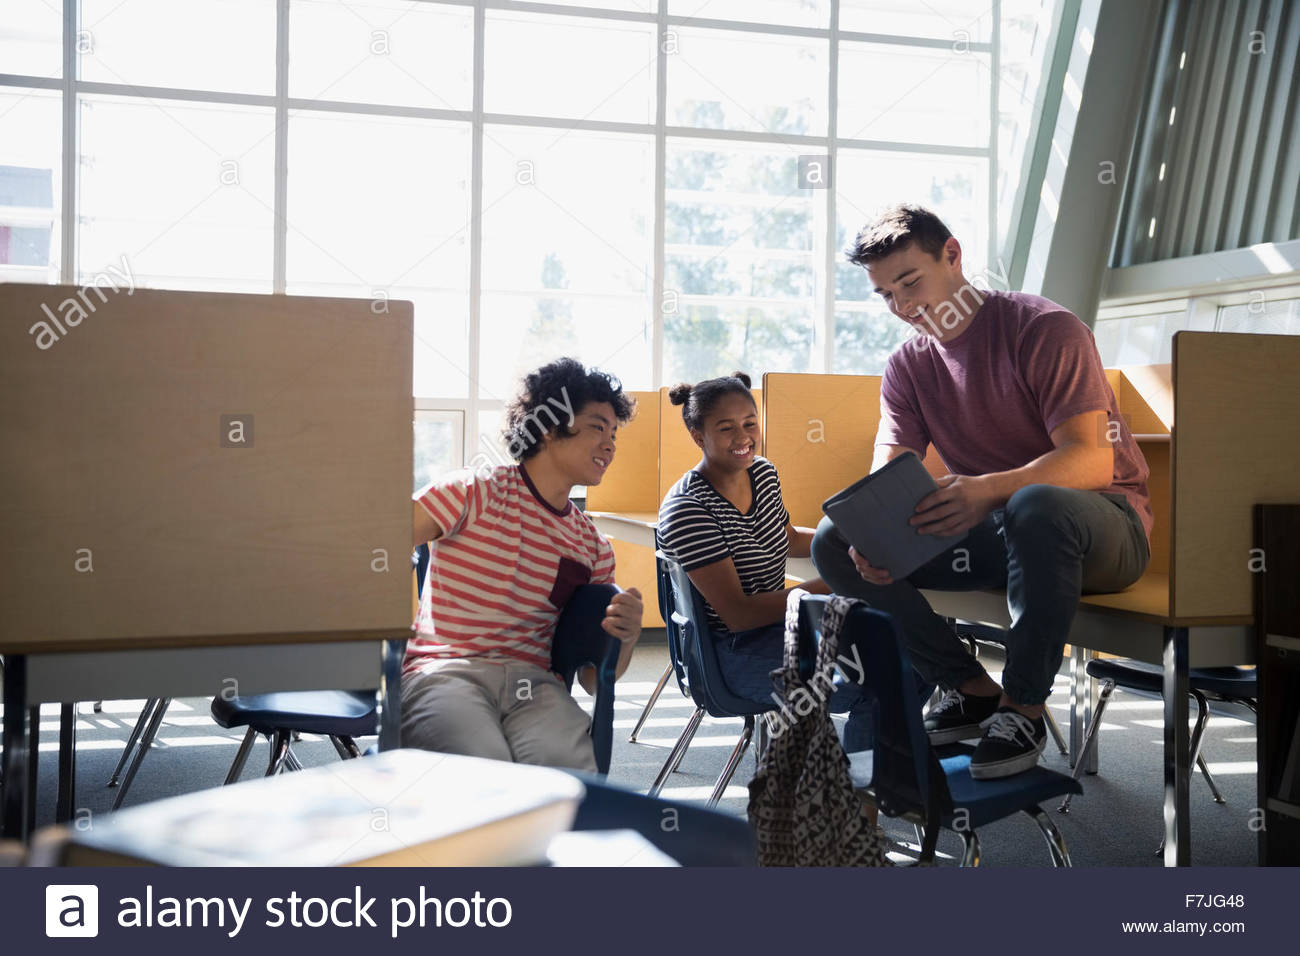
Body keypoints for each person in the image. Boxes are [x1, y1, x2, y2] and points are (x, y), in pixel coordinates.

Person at [812, 202, 1151, 779]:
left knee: (1034, 504)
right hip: (1003, 530)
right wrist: (875, 530)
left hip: (1102, 527)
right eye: (886, 294)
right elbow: (888, 473)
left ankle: (1022, 707)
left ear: (953, 256)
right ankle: (969, 688)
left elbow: (1092, 461)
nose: (903, 306)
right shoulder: (907, 366)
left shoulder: (1045, 328)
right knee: (834, 540)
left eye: (910, 282)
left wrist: (987, 491)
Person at [402, 358, 644, 771]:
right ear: (550, 427)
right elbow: (379, 539)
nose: (610, 445)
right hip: (446, 671)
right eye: (597, 427)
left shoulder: (593, 545)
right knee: (480, 765)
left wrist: (629, 634)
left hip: (534, 687)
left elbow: (591, 681)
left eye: (614, 433)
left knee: (565, 774)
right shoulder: (471, 490)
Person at [656, 372, 877, 752]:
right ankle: (864, 801)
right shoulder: (688, 508)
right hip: (730, 653)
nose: (742, 437)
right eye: (726, 428)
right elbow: (739, 614)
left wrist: (850, 541)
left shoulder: (762, 472)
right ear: (698, 436)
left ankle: (884, 782)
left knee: (909, 656)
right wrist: (842, 581)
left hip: (781, 631)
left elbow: (786, 538)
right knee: (870, 683)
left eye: (749, 423)